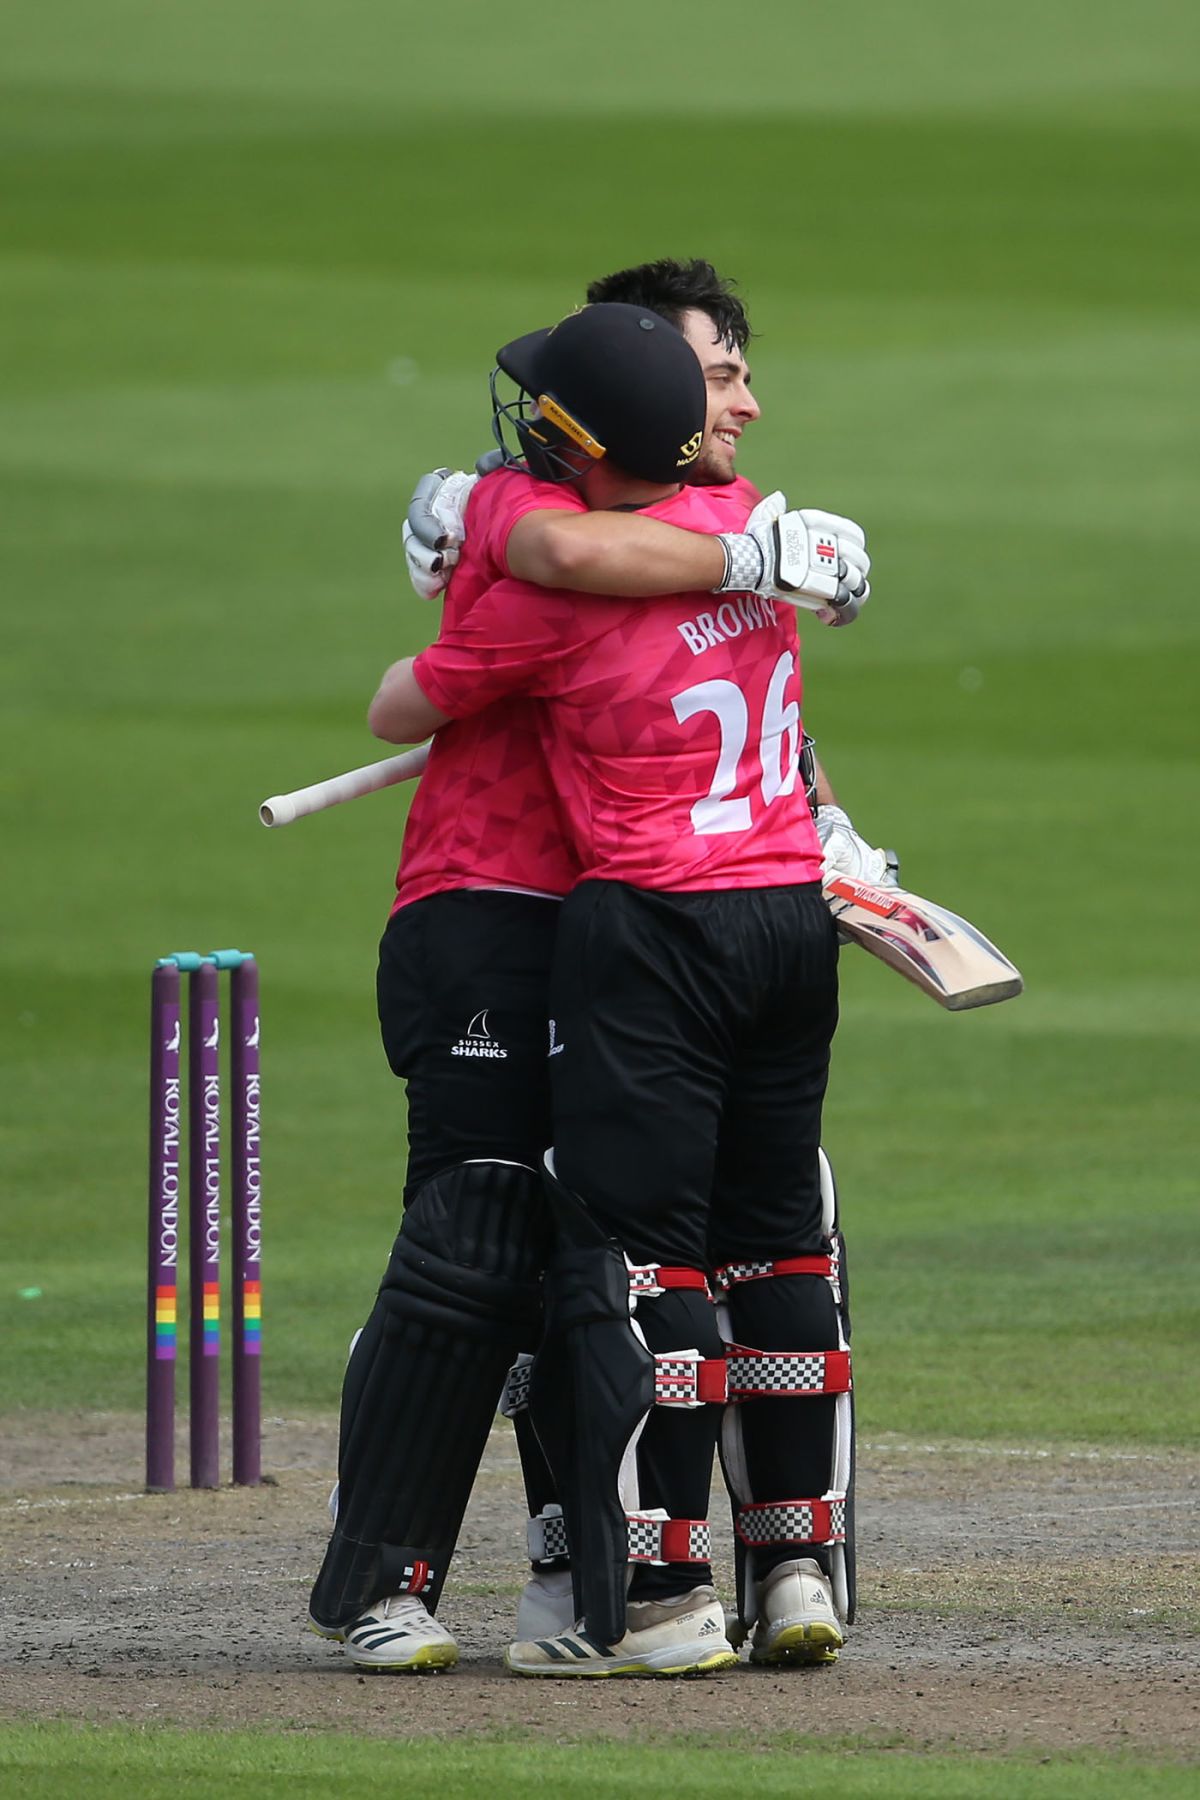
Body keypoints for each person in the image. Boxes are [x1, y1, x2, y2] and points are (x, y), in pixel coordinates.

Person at [307, 268, 880, 1675]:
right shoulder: (525, 511)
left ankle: (610, 1572)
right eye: (714, 373)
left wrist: (838, 830)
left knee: (622, 1252)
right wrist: (754, 556)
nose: (739, 400)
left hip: (637, 920)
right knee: (482, 1237)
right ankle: (388, 1580)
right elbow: (562, 558)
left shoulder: (729, 513)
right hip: (494, 899)